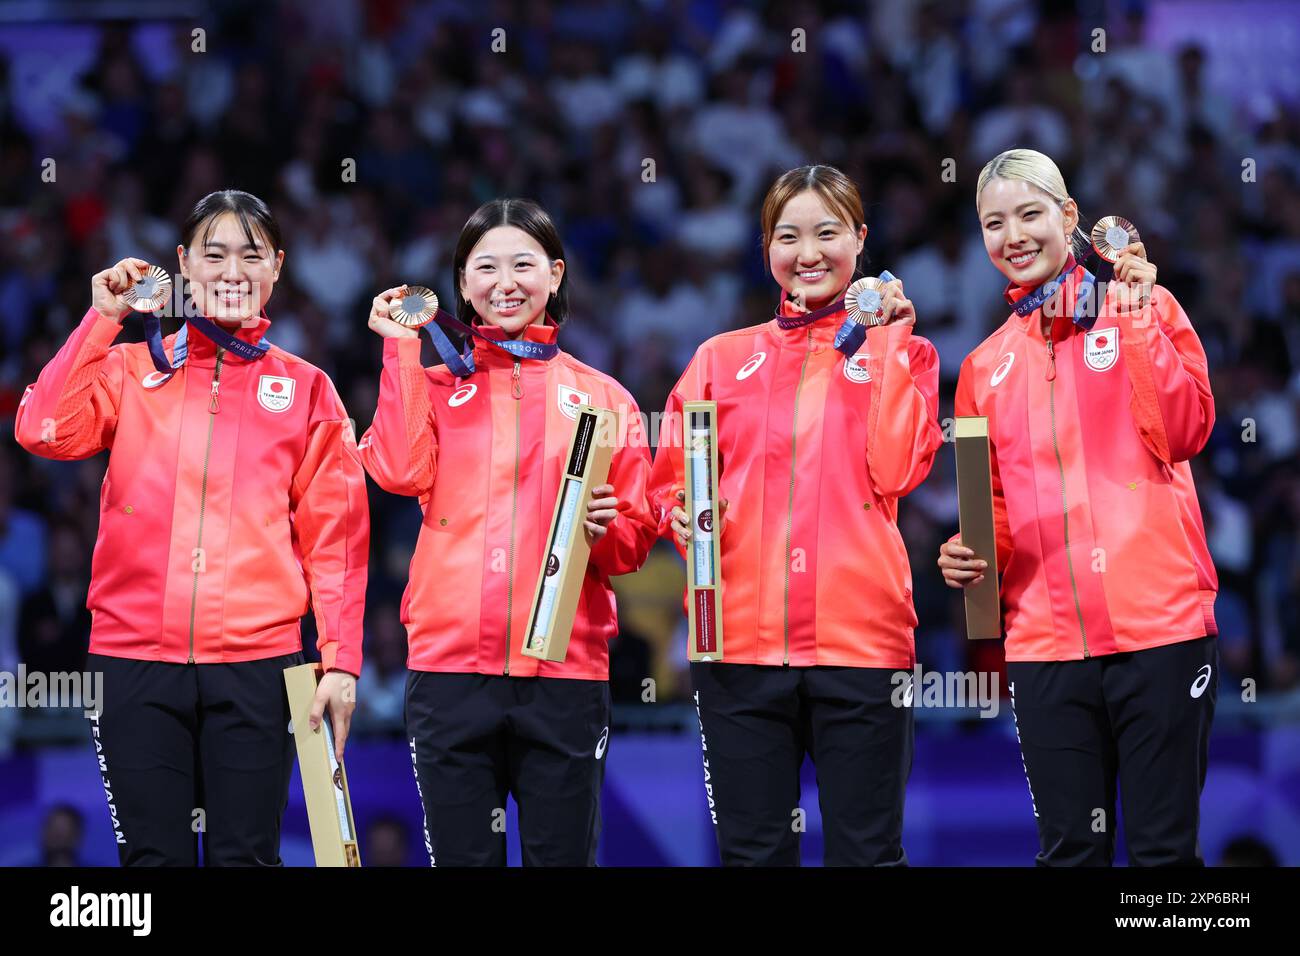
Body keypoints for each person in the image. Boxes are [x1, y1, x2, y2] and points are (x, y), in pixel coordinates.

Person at [15, 189, 369, 866]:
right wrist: (101, 321)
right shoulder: (127, 367)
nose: (232, 270)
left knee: (246, 858)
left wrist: (341, 660)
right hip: (132, 660)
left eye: (250, 254)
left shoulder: (308, 390)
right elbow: (41, 429)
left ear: (276, 269)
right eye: (213, 254)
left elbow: (338, 542)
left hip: (260, 665)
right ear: (182, 265)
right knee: (152, 862)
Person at [649, 164, 943, 866]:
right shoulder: (721, 360)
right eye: (788, 236)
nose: (807, 253)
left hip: (862, 642)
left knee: (868, 854)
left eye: (826, 233)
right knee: (754, 856)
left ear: (860, 240)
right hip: (739, 646)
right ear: (766, 249)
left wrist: (892, 343)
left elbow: (900, 469)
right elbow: (669, 484)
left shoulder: (906, 354)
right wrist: (679, 515)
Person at [937, 148, 1219, 866]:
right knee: (1070, 854)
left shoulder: (1146, 308)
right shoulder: (980, 369)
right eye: (994, 223)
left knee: (1164, 857)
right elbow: (990, 506)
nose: (1013, 236)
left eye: (1030, 214)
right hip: (1045, 649)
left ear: (1069, 218)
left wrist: (1135, 320)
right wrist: (971, 555)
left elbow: (1183, 433)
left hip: (1159, 629)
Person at [359, 198, 657, 866]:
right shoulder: (433, 386)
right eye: (485, 267)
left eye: (524, 264)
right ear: (462, 285)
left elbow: (630, 545)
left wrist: (606, 530)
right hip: (448, 670)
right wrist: (400, 351)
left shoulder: (605, 398)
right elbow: (399, 470)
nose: (506, 282)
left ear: (555, 274)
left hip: (564, 669)